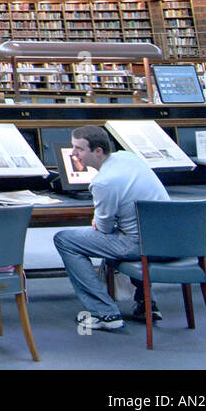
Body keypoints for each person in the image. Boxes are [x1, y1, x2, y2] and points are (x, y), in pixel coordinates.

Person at [53, 124, 169, 331]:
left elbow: (103, 230)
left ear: (98, 151)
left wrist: (102, 221)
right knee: (122, 233)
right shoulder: (128, 157)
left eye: (79, 149)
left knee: (65, 240)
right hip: (169, 240)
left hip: (139, 244)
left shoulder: (103, 182)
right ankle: (146, 304)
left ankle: (104, 313)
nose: (73, 154)